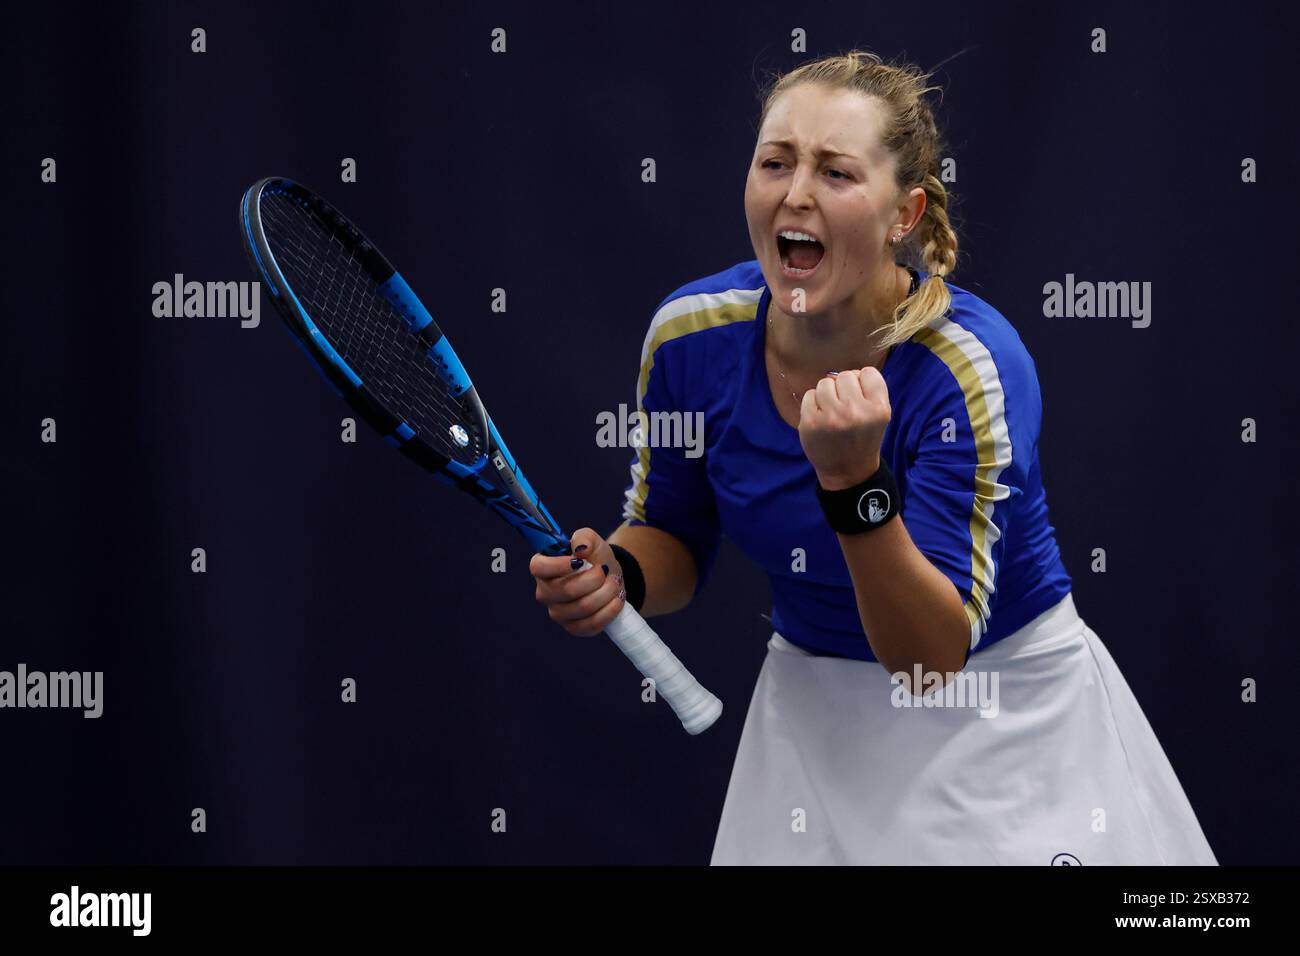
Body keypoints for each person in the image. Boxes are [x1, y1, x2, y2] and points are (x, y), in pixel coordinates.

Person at [529, 50, 1216, 865]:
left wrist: (854, 485)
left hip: (998, 718)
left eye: (836, 172)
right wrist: (622, 573)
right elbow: (673, 533)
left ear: (905, 214)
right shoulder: (688, 338)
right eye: (775, 162)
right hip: (811, 725)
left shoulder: (971, 369)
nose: (795, 193)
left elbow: (928, 663)